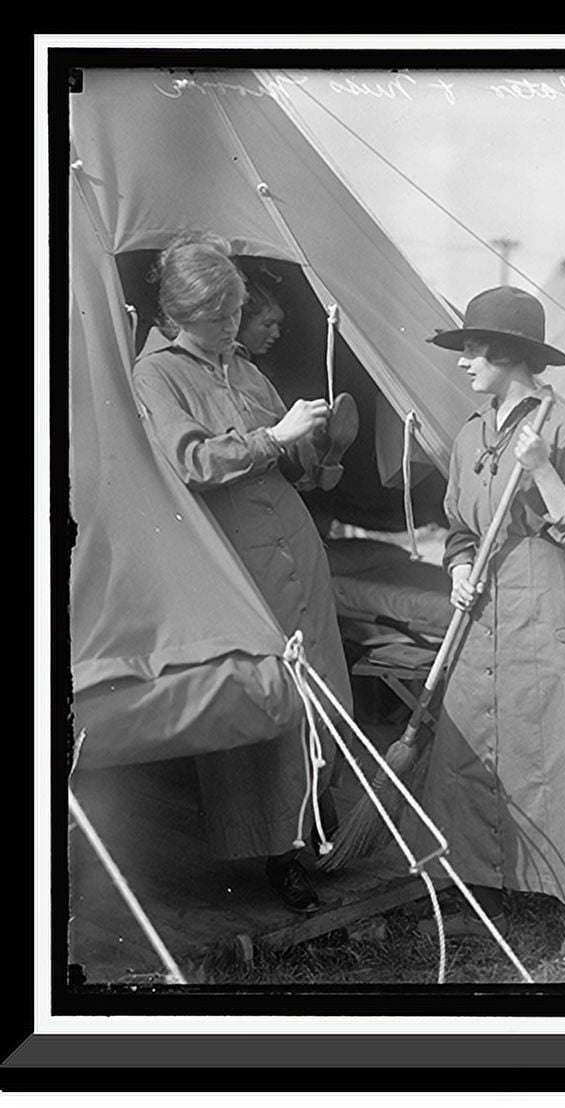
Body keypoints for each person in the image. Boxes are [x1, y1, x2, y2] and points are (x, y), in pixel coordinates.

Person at [132, 233, 357, 913]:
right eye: (219, 318)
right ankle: (274, 852)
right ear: (179, 315)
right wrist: (273, 439)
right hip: (235, 560)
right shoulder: (157, 375)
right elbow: (192, 463)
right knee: (266, 700)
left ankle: (317, 825)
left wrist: (313, 448)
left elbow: (285, 464)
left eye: (235, 315)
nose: (233, 329)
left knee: (320, 682)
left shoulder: (243, 369)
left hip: (292, 543)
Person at [416, 286, 565, 966]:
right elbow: (457, 526)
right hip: (484, 612)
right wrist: (458, 566)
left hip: (549, 605)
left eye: (473, 350)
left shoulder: (563, 430)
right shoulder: (472, 433)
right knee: (476, 744)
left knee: (558, 757)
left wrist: (542, 472)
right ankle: (489, 891)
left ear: (509, 355)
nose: (463, 363)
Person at [236, 274, 359, 496]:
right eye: (267, 324)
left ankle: (313, 451)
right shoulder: (236, 374)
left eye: (277, 325)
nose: (276, 333)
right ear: (240, 321)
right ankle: (314, 449)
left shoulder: (256, 371)